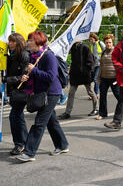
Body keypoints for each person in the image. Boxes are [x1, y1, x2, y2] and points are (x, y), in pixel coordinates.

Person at [14, 31, 69, 162]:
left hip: (51, 93)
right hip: (41, 92)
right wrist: (27, 75)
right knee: (51, 121)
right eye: (28, 40)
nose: (28, 43)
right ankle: (62, 145)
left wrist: (34, 70)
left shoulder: (48, 56)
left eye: (31, 41)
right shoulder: (34, 56)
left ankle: (29, 152)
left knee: (39, 123)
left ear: (38, 42)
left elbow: (50, 76)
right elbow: (35, 73)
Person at [58, 41, 97, 120]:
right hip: (75, 74)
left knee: (90, 92)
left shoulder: (85, 47)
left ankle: (96, 109)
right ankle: (67, 112)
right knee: (71, 93)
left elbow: (90, 61)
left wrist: (88, 71)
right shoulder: (73, 47)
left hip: (85, 74)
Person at [5, 33, 29, 155]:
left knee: (14, 117)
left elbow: (24, 76)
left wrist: (6, 80)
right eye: (9, 41)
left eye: (13, 41)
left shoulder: (24, 55)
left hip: (22, 91)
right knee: (18, 117)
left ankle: (20, 144)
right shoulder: (12, 55)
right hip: (15, 91)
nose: (10, 43)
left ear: (19, 42)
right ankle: (25, 142)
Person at [96, 34, 123, 120]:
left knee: (118, 95)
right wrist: (98, 78)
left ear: (112, 42)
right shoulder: (103, 52)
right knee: (102, 96)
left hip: (114, 78)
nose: (108, 44)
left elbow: (120, 65)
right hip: (104, 78)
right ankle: (102, 113)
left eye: (110, 42)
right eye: (107, 43)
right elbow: (101, 66)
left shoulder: (116, 51)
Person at [89, 32, 105, 98]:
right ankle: (93, 93)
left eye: (91, 39)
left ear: (95, 38)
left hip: (100, 64)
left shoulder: (99, 43)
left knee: (96, 79)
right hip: (94, 65)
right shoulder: (92, 45)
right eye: (90, 39)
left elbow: (106, 50)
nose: (91, 41)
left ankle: (96, 93)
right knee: (92, 79)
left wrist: (102, 57)